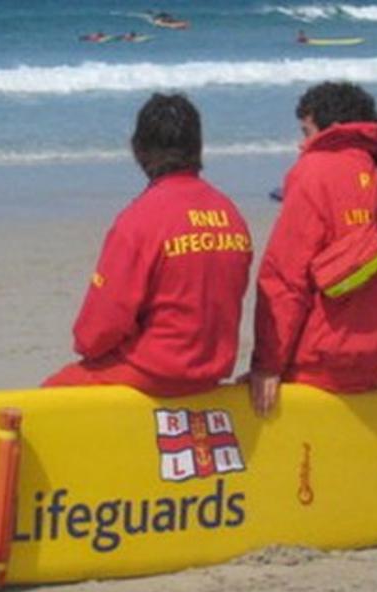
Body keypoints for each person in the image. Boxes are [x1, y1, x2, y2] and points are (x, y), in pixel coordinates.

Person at [245, 82, 377, 423]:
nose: (301, 143)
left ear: (332, 129)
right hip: (375, 364)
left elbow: (284, 278)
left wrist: (266, 366)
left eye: (306, 131)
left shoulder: (315, 171)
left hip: (315, 361)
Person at [44, 93, 253, 397]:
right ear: (197, 147)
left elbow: (99, 328)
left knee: (49, 395)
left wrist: (87, 347)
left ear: (138, 149)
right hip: (210, 373)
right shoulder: (230, 214)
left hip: (153, 374)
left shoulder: (140, 220)